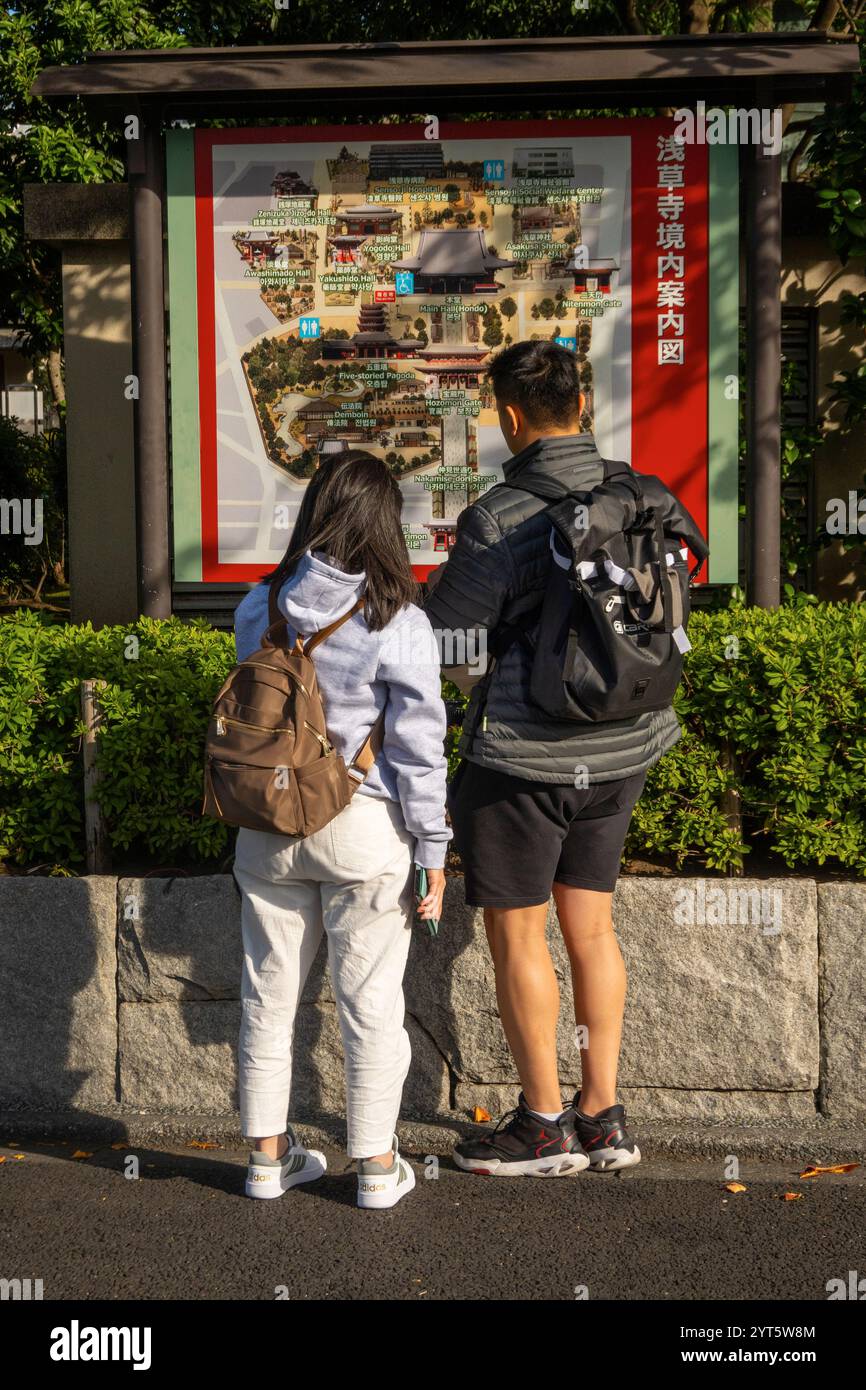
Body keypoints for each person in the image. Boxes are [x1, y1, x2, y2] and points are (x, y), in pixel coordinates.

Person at [425, 340, 681, 1177]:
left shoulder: (496, 517)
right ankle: (602, 1115)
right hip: (626, 746)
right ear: (582, 406)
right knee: (593, 926)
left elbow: (448, 644)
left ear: (508, 417)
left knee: (517, 934)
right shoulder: (638, 494)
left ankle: (540, 1124)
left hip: (523, 761)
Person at [232, 451, 449, 1209]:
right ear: (384, 525)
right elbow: (420, 749)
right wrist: (434, 850)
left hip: (265, 827)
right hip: (360, 828)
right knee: (370, 1002)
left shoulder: (259, 605)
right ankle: (376, 1168)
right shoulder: (400, 622)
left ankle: (266, 1160)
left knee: (267, 994)